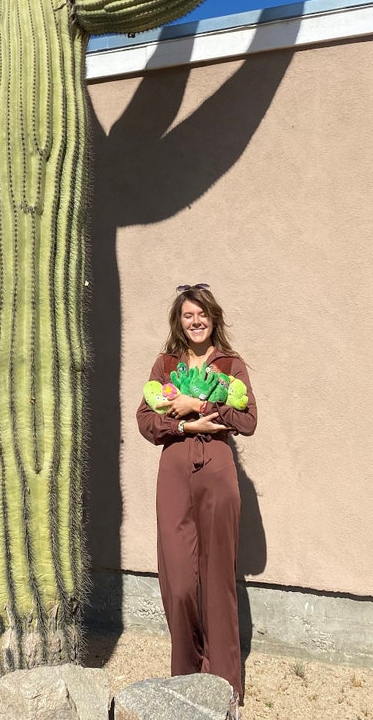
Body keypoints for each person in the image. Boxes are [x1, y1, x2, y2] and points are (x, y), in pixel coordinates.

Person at [136, 284, 257, 710]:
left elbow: (248, 419)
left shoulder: (231, 364)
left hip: (218, 473)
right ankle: (186, 679)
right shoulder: (165, 363)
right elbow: (146, 420)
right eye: (188, 315)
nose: (196, 321)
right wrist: (185, 420)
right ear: (179, 321)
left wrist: (206, 405)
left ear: (213, 317)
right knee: (180, 581)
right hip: (174, 471)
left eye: (202, 314)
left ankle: (224, 685)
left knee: (219, 576)